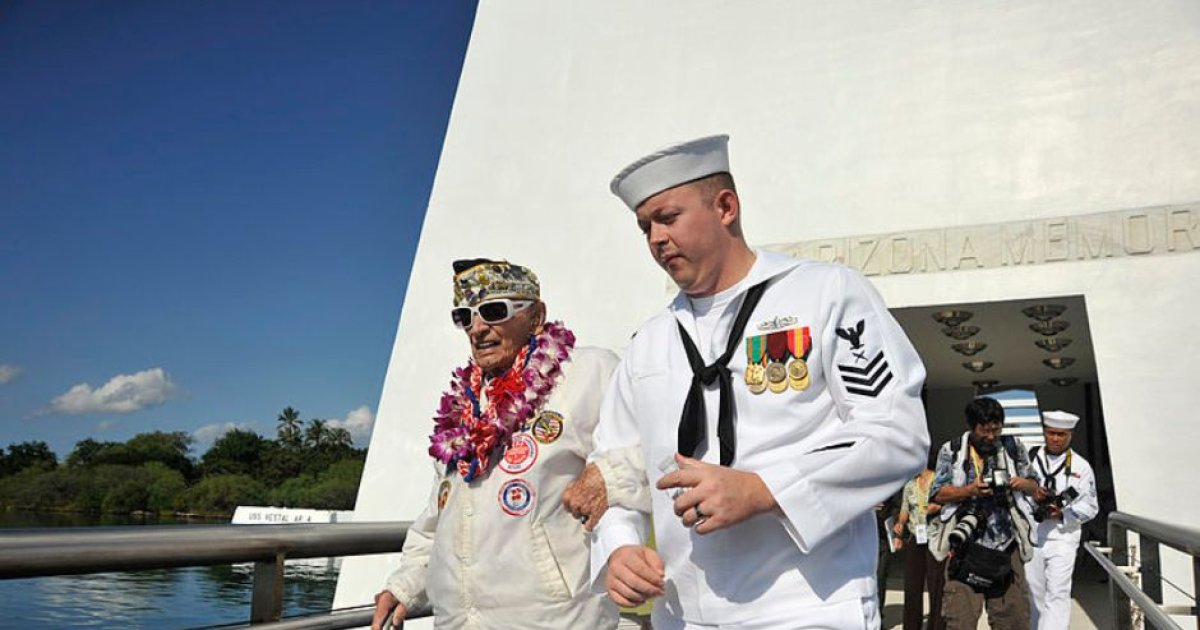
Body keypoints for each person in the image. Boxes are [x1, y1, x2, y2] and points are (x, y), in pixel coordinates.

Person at [590, 134, 930, 629]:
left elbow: (896, 433)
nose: (655, 239)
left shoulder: (826, 294)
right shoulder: (649, 342)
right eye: (645, 227)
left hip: (810, 607)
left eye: (668, 218)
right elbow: (616, 469)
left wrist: (766, 490)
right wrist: (619, 547)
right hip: (683, 615)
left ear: (725, 206)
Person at [369, 259, 619, 630]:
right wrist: (403, 587)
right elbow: (436, 519)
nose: (478, 328)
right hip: (460, 621)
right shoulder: (463, 407)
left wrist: (608, 478)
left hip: (555, 620)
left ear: (536, 317)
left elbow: (644, 453)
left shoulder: (589, 372)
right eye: (465, 317)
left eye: (493, 311)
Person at [929, 396, 1045, 630]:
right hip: (964, 547)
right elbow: (937, 495)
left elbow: (1036, 489)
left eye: (996, 430)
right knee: (959, 621)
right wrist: (969, 491)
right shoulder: (951, 451)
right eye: (984, 430)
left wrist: (1022, 484)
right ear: (971, 427)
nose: (991, 436)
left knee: (1014, 622)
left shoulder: (1013, 447)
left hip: (1007, 547)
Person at [1024, 410, 1099, 630]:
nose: (1056, 439)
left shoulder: (1081, 466)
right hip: (1032, 536)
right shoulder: (1029, 459)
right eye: (1051, 433)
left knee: (1058, 591)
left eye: (1062, 434)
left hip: (1063, 537)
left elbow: (1091, 507)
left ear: (1071, 435)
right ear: (1044, 433)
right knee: (1034, 592)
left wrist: (1063, 514)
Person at [893, 466, 945, 630]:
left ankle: (936, 626)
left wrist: (938, 507)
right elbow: (904, 509)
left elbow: (950, 504)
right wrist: (900, 523)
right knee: (912, 585)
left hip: (935, 537)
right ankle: (911, 626)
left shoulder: (939, 480)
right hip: (915, 537)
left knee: (936, 585)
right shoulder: (909, 484)